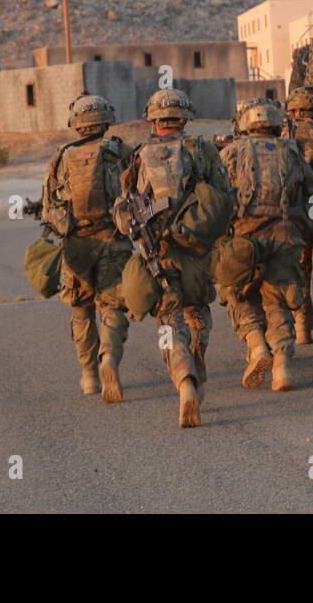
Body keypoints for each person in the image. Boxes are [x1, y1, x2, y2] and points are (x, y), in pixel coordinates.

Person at [113, 88, 232, 428]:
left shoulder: (138, 156)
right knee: (198, 311)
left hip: (159, 254)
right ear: (184, 118)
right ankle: (197, 355)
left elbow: (124, 211)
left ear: (153, 119)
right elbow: (223, 198)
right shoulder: (204, 150)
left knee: (168, 322)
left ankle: (184, 380)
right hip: (197, 251)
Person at [216, 100, 313, 391]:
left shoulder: (231, 153)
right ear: (275, 124)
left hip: (243, 237)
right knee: (278, 302)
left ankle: (257, 346)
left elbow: (218, 198)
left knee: (240, 297)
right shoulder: (292, 152)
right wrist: (311, 228)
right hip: (286, 235)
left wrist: (220, 238)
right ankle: (282, 365)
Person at [38, 94, 133, 402]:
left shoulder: (60, 157)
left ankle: (89, 375)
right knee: (113, 306)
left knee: (81, 309)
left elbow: (48, 205)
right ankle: (109, 358)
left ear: (76, 125)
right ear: (106, 121)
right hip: (113, 242)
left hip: (76, 245)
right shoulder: (120, 151)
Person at [285, 86, 313, 345]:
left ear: (293, 110)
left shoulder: (286, 136)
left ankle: (303, 329)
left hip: (300, 213)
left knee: (300, 270)